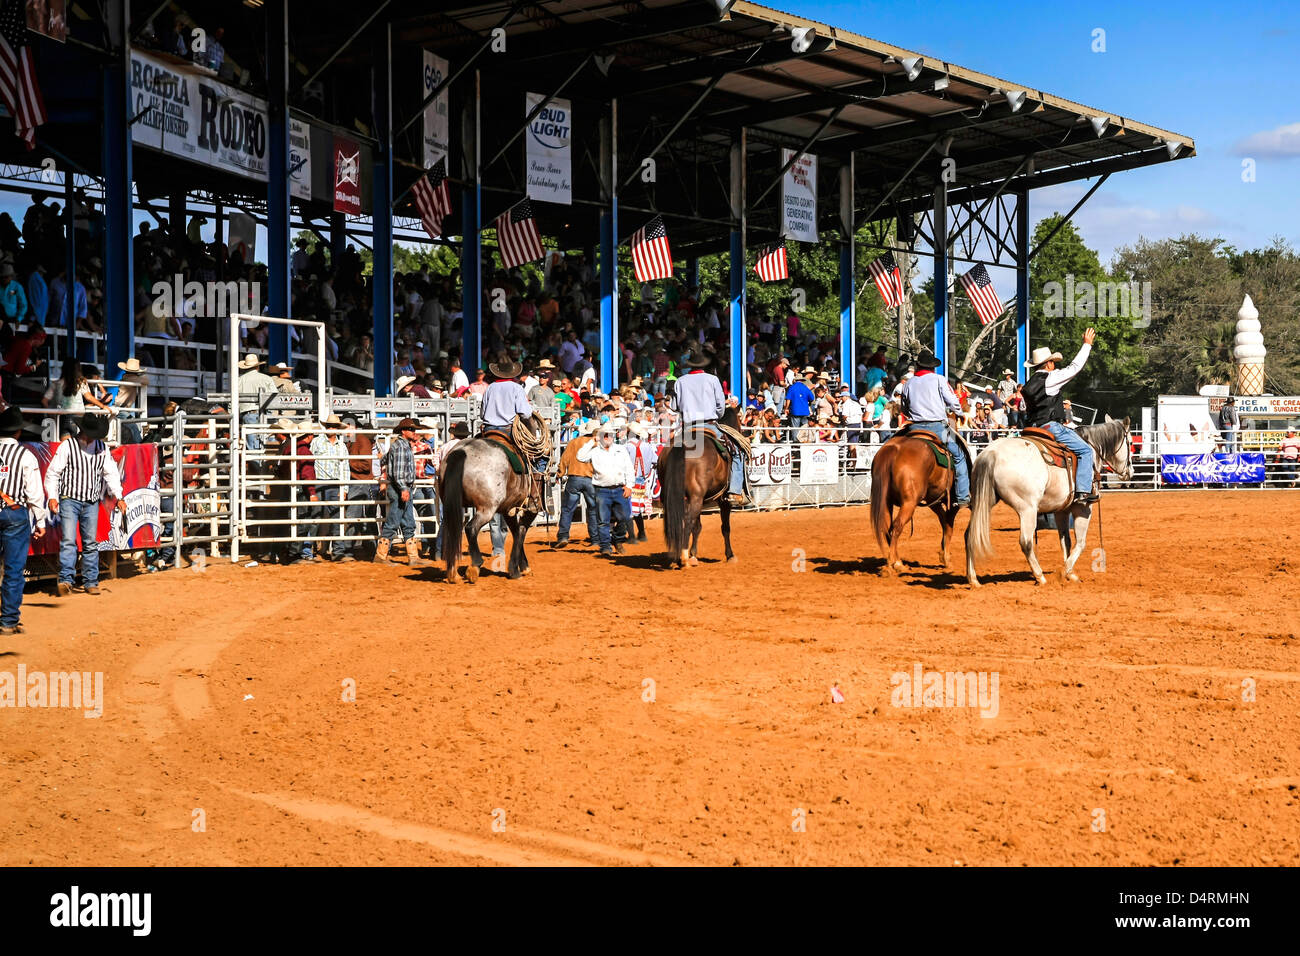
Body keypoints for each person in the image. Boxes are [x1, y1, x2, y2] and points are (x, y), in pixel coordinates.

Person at [44, 413, 125, 597]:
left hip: (90, 501)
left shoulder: (101, 448)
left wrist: (119, 496)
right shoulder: (68, 446)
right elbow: (53, 473)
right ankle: (67, 580)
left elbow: (111, 473)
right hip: (70, 499)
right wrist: (53, 496)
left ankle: (90, 581)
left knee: (89, 542)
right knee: (69, 541)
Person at [1021, 328, 1098, 506]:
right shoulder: (1051, 378)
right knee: (1086, 451)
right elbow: (1074, 368)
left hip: (1031, 428)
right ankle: (1083, 492)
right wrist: (1086, 345)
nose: (1054, 365)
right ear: (1048, 364)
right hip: (1050, 427)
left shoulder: (1028, 385)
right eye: (1053, 362)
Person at [675, 348, 747, 504]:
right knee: (738, 452)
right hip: (709, 424)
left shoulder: (680, 381)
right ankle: (735, 491)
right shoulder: (712, 379)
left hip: (687, 427)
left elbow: (676, 406)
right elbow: (721, 406)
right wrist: (719, 415)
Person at [899, 348, 970, 507]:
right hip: (937, 427)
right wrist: (959, 412)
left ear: (918, 366)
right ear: (932, 366)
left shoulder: (908, 383)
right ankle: (963, 495)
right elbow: (952, 401)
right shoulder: (939, 379)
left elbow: (903, 409)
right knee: (959, 455)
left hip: (913, 428)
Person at [0, 407, 47, 635]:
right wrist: (41, 521)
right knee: (13, 569)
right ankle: (8, 621)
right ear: (18, 432)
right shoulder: (25, 455)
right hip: (14, 513)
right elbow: (35, 492)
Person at [578, 422, 635, 555]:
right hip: (602, 489)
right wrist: (592, 441)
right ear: (600, 436)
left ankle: (618, 540)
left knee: (625, 518)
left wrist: (629, 486)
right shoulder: (595, 451)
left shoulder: (621, 449)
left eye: (610, 435)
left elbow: (629, 469)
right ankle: (605, 547)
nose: (607, 437)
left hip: (620, 488)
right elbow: (580, 456)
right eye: (605, 435)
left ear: (613, 436)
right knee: (603, 521)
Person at [377, 417, 421, 566]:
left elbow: (384, 460)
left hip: (400, 487)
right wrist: (403, 488)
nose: (413, 432)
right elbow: (398, 472)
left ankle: (412, 556)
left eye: (414, 429)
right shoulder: (402, 447)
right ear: (404, 431)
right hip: (400, 488)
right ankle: (381, 555)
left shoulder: (399, 446)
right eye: (411, 429)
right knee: (395, 520)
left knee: (407, 520)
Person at [310, 416, 350, 561]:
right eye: (329, 426)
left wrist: (344, 488)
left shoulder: (342, 446)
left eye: (334, 426)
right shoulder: (317, 442)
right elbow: (309, 462)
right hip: (318, 482)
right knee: (315, 517)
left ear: (338, 428)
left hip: (335, 484)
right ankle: (311, 551)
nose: (331, 429)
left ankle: (338, 551)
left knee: (337, 517)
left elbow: (345, 467)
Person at [555, 419, 599, 548]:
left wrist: (560, 473)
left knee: (568, 509)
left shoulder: (574, 442)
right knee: (593, 509)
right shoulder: (597, 444)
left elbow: (565, 459)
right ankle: (595, 538)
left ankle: (563, 536)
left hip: (574, 478)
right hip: (591, 478)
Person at [236, 354, 277, 452]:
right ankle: (268, 465)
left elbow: (233, 400)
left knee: (253, 446)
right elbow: (275, 397)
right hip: (266, 414)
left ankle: (255, 465)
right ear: (257, 366)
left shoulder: (239, 380)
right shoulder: (266, 378)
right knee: (269, 444)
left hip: (249, 414)